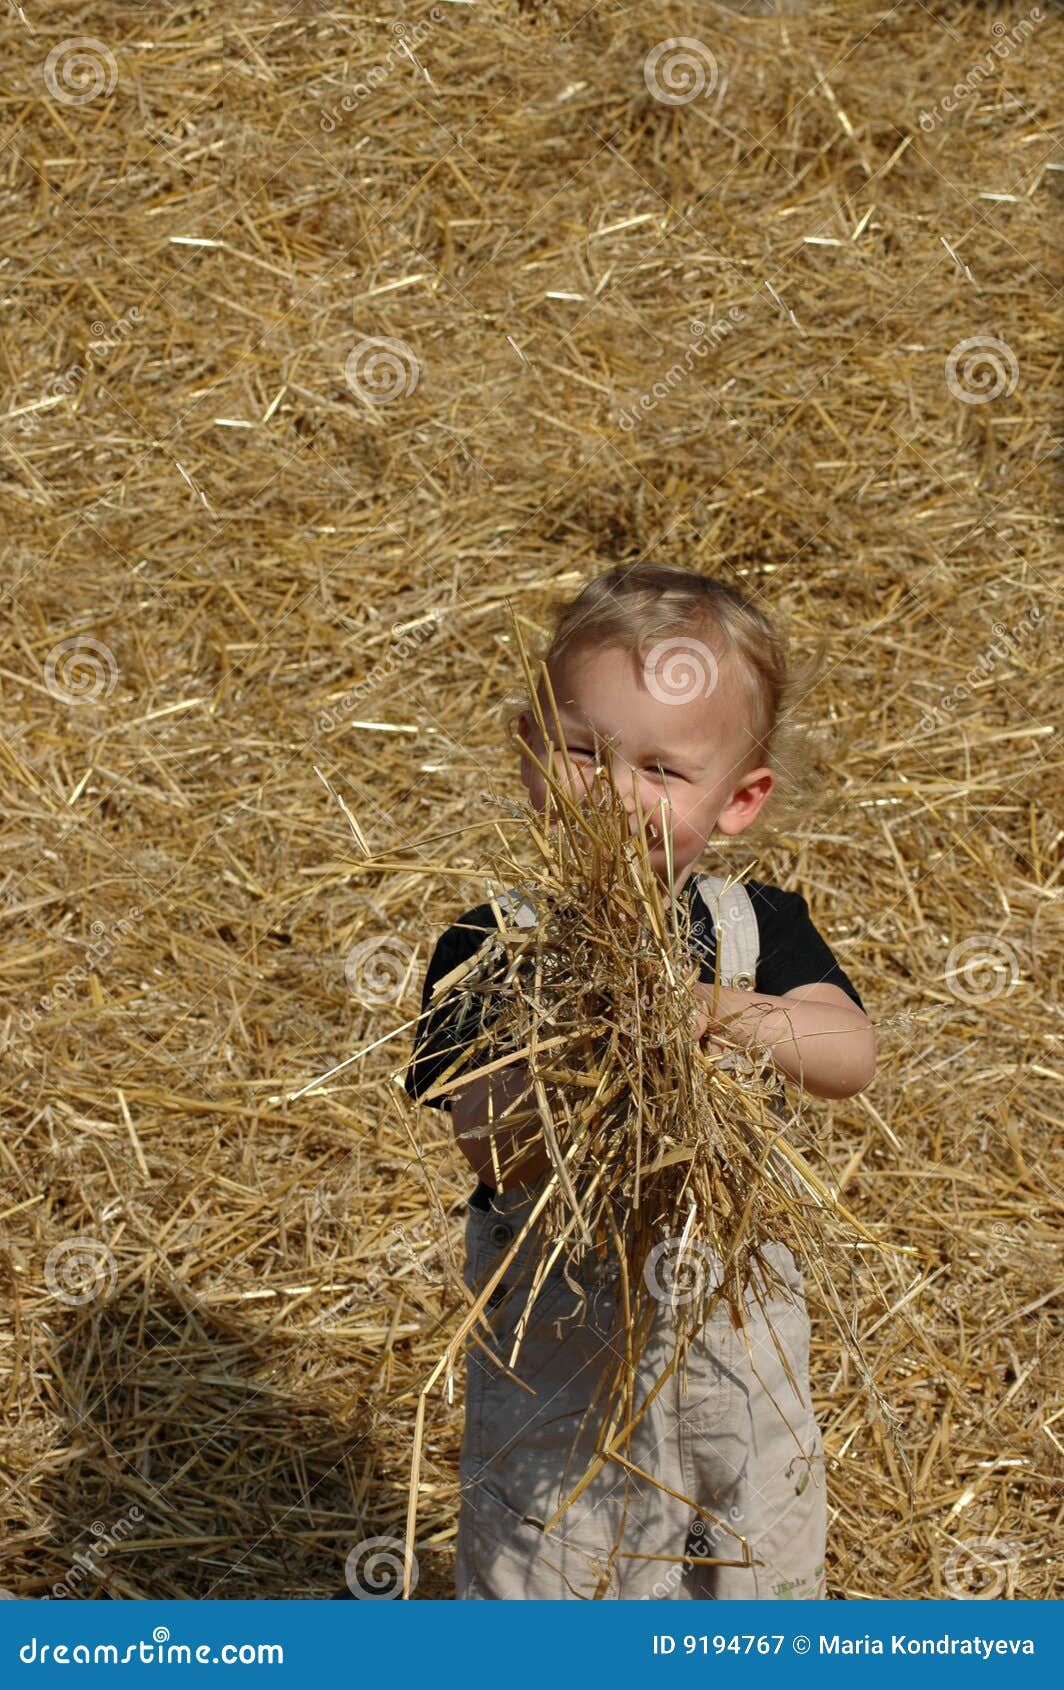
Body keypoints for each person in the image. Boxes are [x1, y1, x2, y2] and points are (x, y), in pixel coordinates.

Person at [404, 563, 875, 1599]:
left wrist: (705, 1012)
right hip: (559, 1360)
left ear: (738, 798)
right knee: (550, 1574)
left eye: (662, 771)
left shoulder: (754, 928)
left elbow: (847, 1055)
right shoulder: (491, 948)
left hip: (733, 1342)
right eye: (581, 751)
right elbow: (490, 1145)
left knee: (747, 1556)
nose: (615, 794)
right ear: (529, 754)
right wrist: (583, 1046)